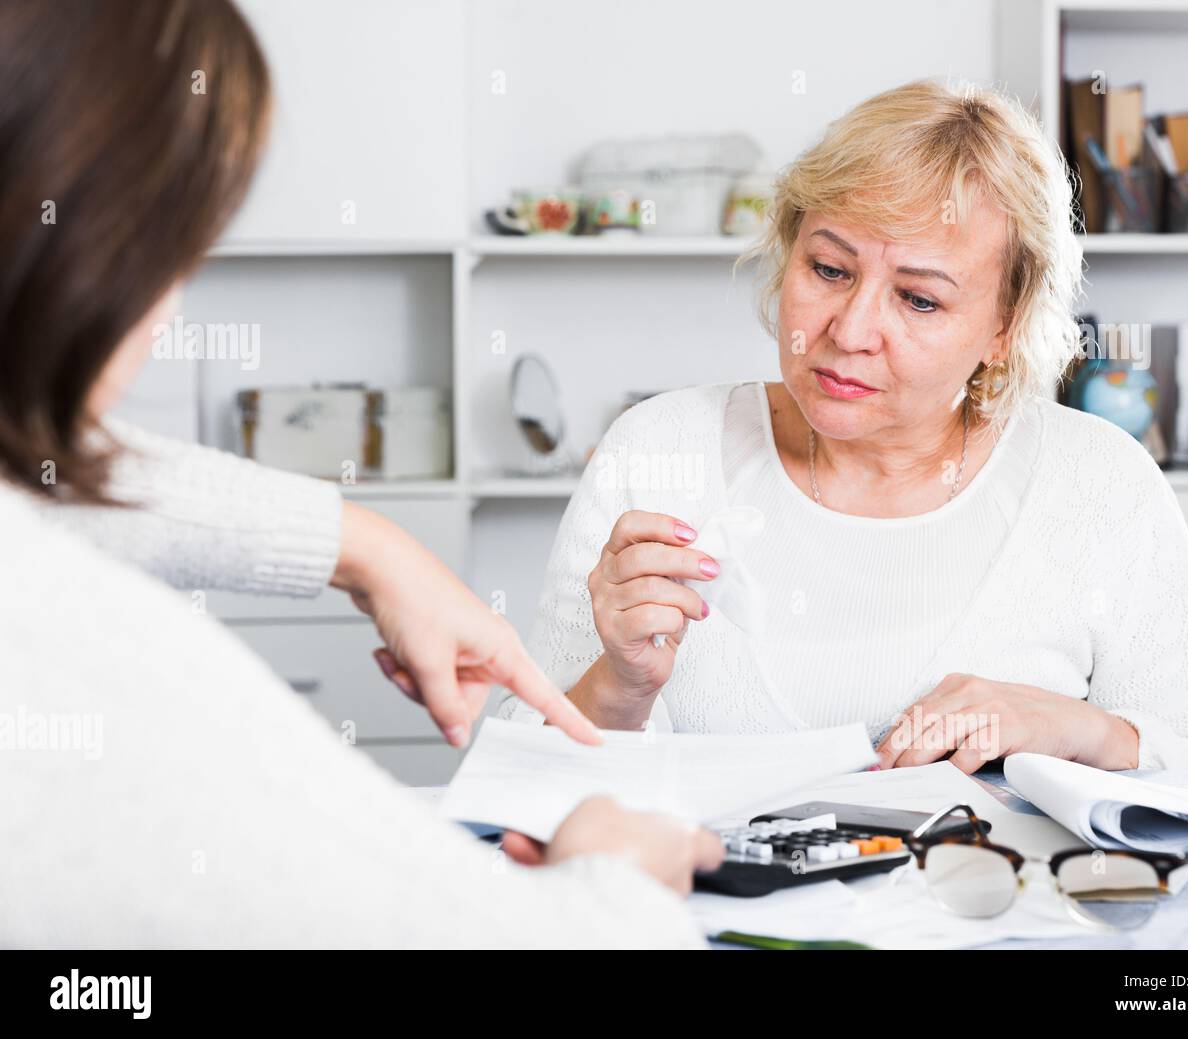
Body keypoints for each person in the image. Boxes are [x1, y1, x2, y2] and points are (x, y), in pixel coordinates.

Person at [0, 0, 719, 948]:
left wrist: (360, 546)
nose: (169, 310)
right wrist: (617, 882)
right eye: (181, 250)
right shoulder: (88, 661)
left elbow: (46, 472)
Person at [502, 79, 1188, 778]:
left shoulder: (1099, 480)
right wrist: (619, 686)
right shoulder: (657, 453)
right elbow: (512, 784)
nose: (851, 330)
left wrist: (1078, 727)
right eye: (830, 270)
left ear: (1004, 324)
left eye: (920, 300)